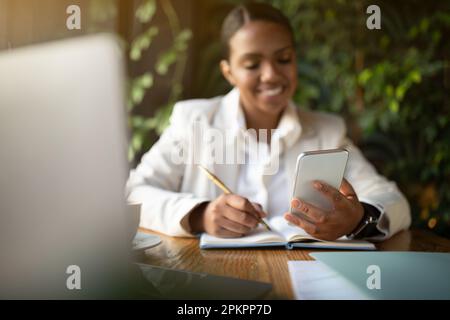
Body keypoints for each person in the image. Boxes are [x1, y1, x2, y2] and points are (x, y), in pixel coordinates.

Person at [126, 2, 411, 241]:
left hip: (304, 273)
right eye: (252, 65)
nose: (271, 74)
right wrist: (200, 215)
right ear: (228, 72)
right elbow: (133, 193)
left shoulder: (328, 131)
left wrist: (360, 218)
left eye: (283, 59)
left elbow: (392, 199)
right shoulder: (193, 122)